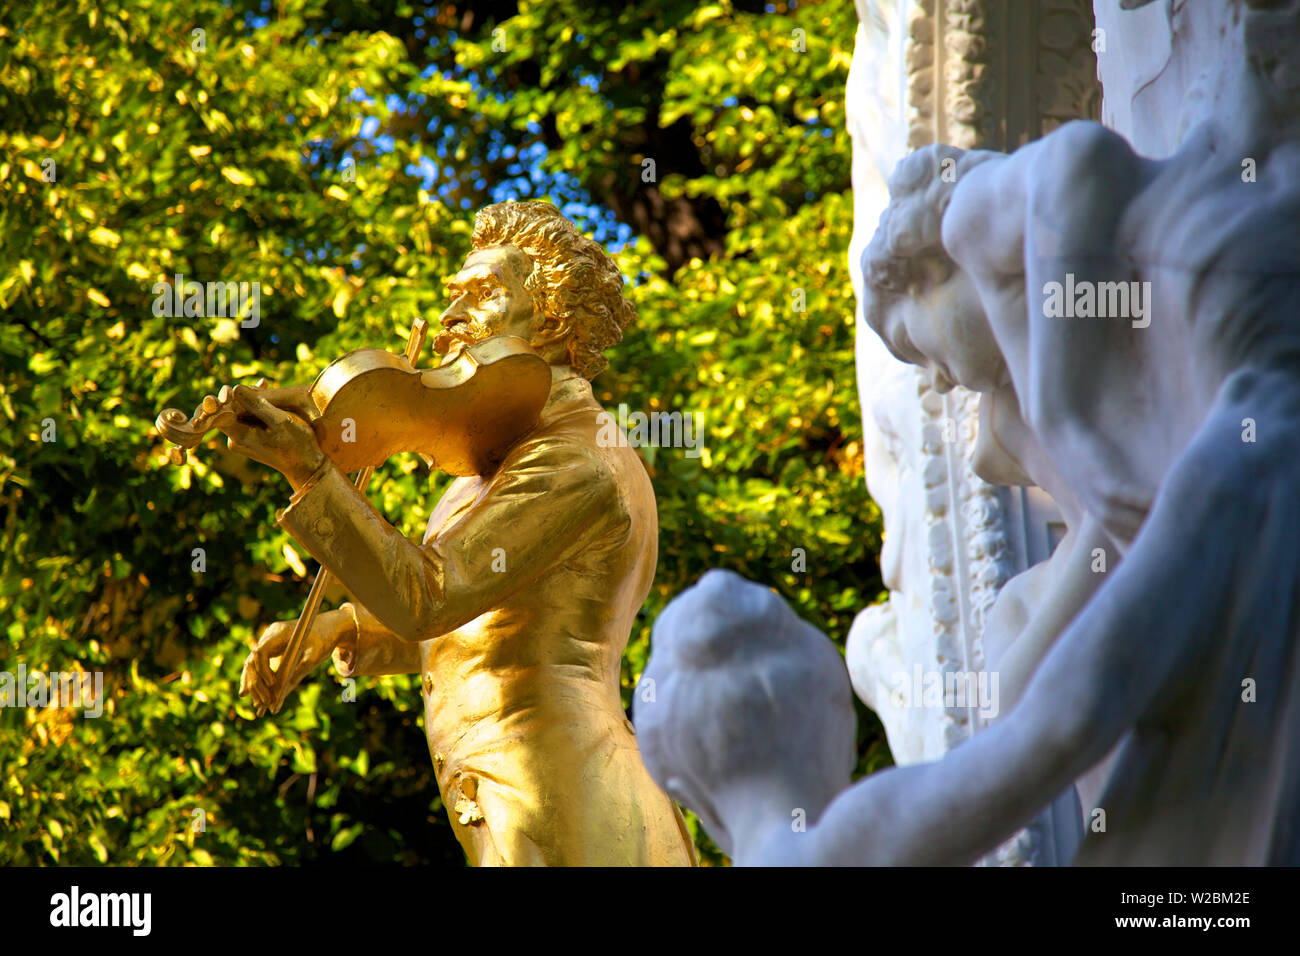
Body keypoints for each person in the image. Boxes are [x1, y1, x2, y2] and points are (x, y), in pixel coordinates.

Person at [222, 200, 695, 866]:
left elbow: (430, 596)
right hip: (514, 798)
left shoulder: (575, 461)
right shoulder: (490, 467)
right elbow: (485, 630)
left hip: (570, 798)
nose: (446, 321)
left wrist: (310, 470)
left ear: (554, 320)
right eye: (452, 297)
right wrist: (339, 628)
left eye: (480, 295)